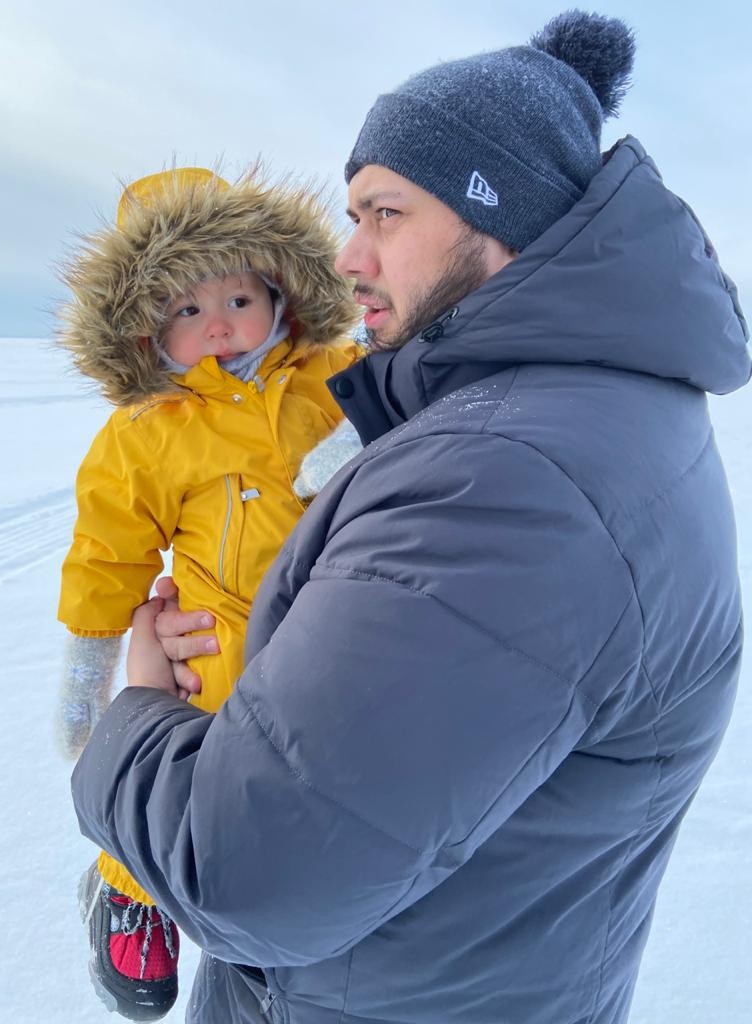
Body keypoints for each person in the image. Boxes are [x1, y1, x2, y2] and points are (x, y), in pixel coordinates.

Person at [72, 11, 751, 1024]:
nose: (351, 257)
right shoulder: (578, 404)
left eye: (384, 212)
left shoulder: (512, 480)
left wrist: (125, 721)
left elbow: (245, 870)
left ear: (498, 212)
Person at [56, 165, 359, 1020]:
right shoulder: (146, 434)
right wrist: (89, 663)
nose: (218, 325)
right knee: (191, 761)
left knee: (301, 776)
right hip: (216, 626)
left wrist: (356, 432)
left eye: (236, 298)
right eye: (186, 311)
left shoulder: (329, 373)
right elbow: (107, 551)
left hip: (332, 613)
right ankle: (130, 886)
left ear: (279, 292)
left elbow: (404, 379)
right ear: (148, 329)